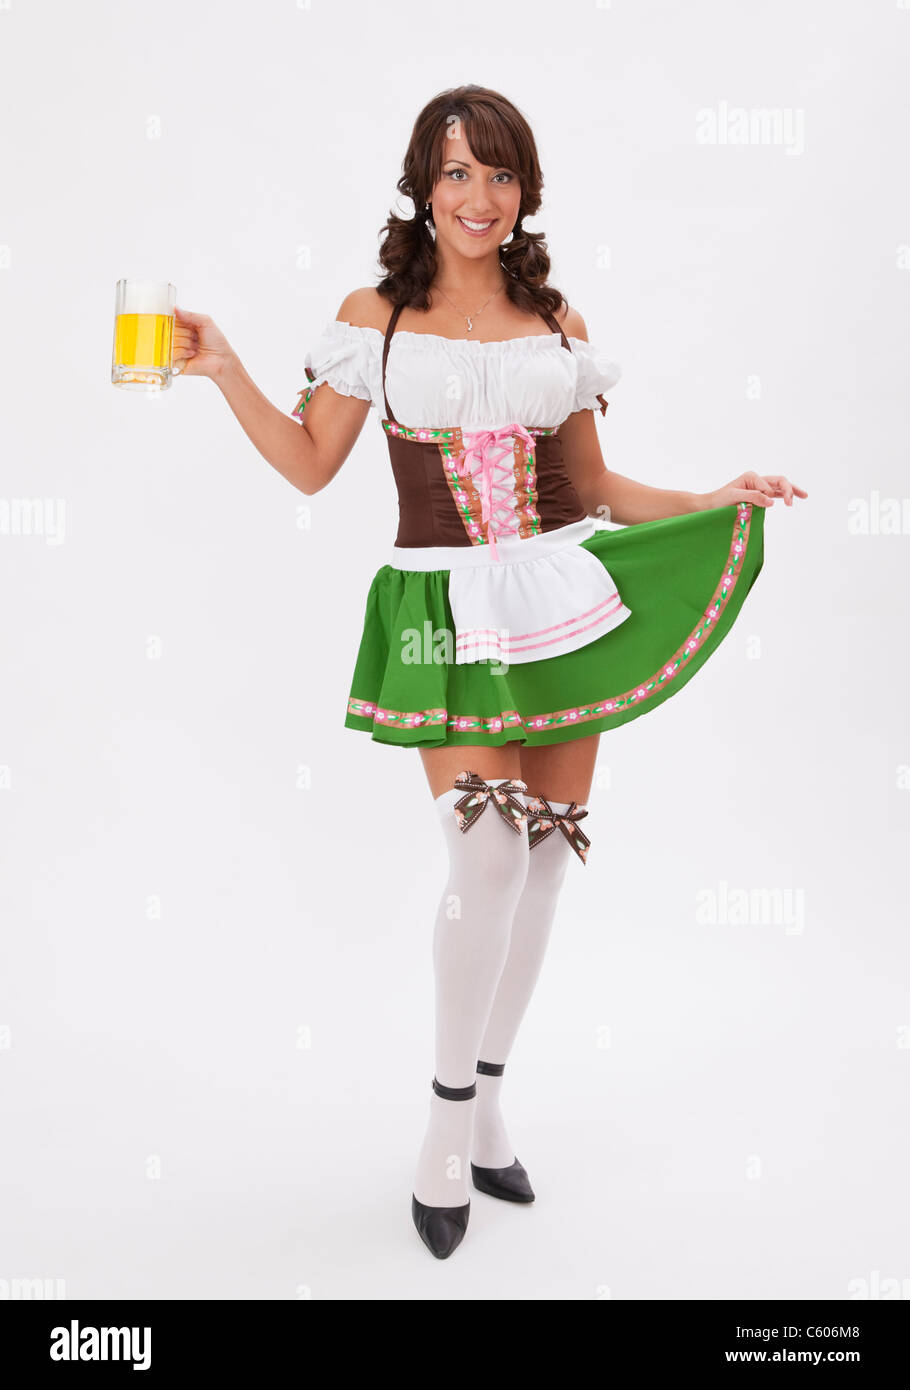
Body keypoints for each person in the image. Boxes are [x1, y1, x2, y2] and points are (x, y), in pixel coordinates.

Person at [170, 83, 806, 1261]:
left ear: (526, 191)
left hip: (564, 592)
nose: (479, 196)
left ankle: (493, 1093)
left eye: (500, 173)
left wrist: (712, 495)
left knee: (549, 855)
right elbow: (313, 465)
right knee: (485, 844)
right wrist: (223, 370)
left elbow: (603, 488)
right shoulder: (378, 315)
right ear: (423, 184)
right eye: (457, 172)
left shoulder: (555, 316)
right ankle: (445, 1121)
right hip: (442, 605)